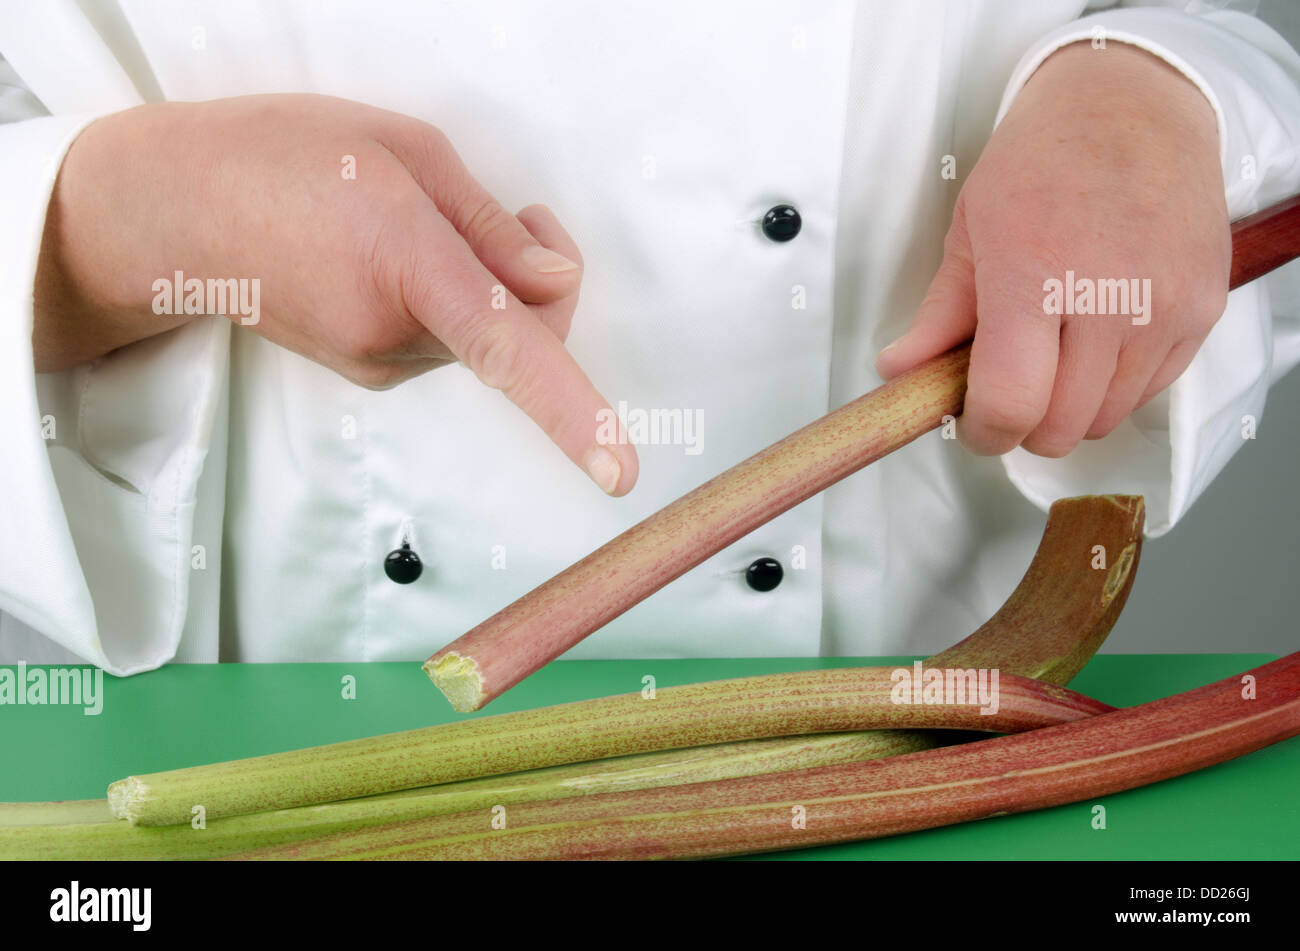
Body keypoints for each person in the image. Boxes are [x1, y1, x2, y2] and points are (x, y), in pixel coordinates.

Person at [1, 0, 1297, 676]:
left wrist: (1146, 97)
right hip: (287, 738)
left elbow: (1176, 27)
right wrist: (134, 218)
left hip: (916, 749)